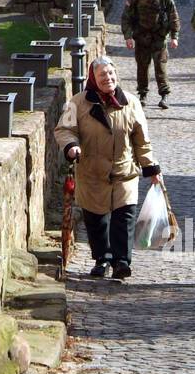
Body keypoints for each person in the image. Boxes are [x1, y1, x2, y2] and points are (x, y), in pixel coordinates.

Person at [55, 56, 169, 279]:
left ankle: (121, 262)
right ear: (93, 78)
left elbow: (141, 140)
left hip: (124, 173)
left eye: (110, 73)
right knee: (96, 220)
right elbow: (63, 130)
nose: (107, 78)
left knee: (123, 218)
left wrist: (151, 168)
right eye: (102, 75)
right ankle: (102, 259)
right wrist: (71, 146)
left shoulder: (131, 102)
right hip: (91, 172)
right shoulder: (77, 103)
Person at [121, 0, 179, 109]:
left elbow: (173, 16)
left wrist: (174, 36)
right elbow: (126, 17)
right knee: (142, 67)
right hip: (141, 37)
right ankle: (142, 94)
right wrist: (128, 37)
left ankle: (164, 96)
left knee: (161, 67)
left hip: (159, 37)